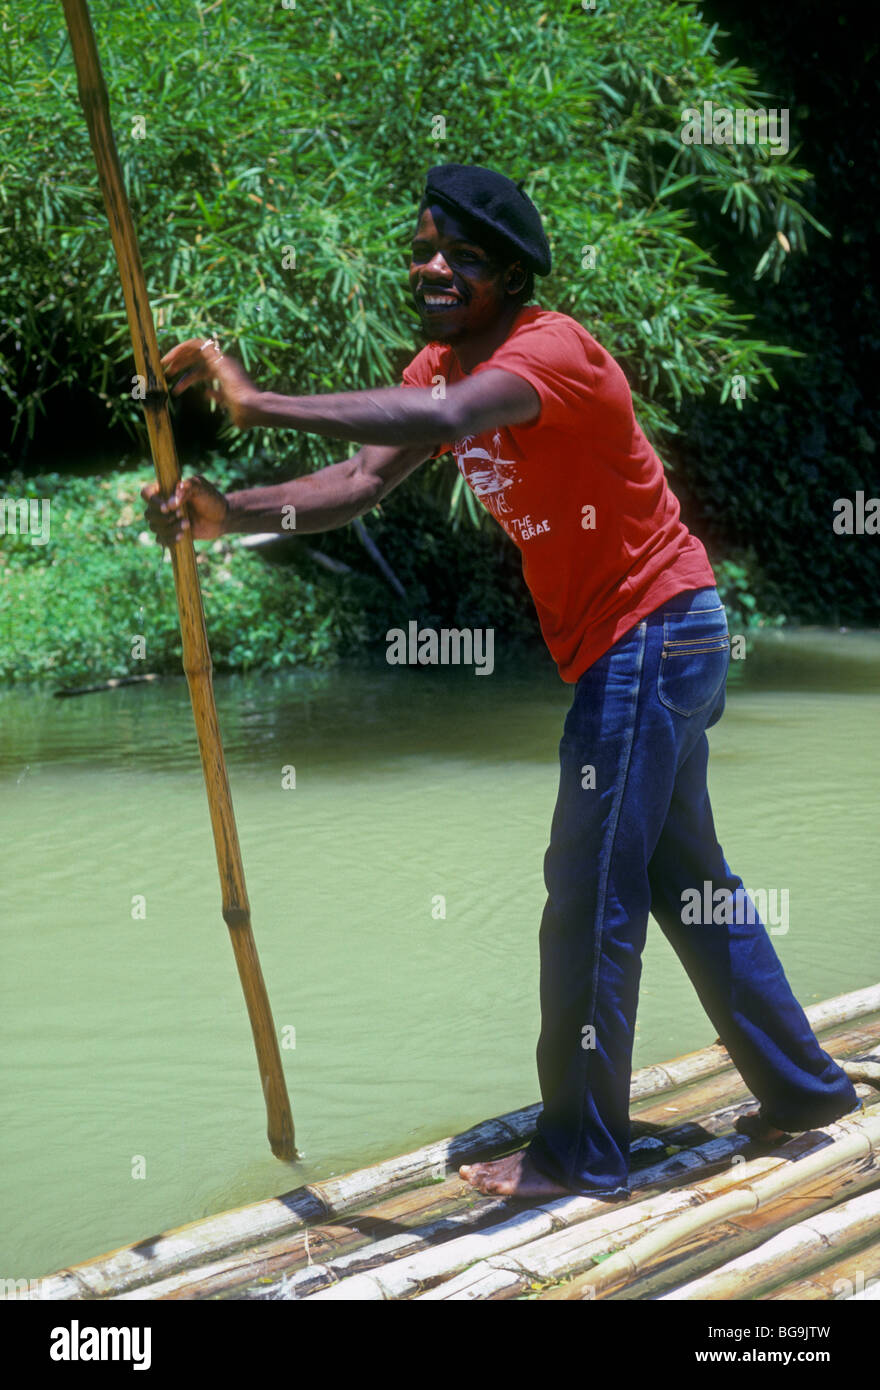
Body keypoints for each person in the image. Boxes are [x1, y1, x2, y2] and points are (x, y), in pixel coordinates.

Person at [143, 163, 860, 1199]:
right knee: (679, 878)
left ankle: (580, 1150)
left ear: (511, 276)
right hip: (663, 636)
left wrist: (260, 400)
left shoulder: (545, 352)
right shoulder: (437, 363)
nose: (434, 265)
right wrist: (231, 514)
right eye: (425, 245)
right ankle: (801, 1090)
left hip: (649, 633)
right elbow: (355, 482)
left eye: (462, 256)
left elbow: (439, 422)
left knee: (586, 894)